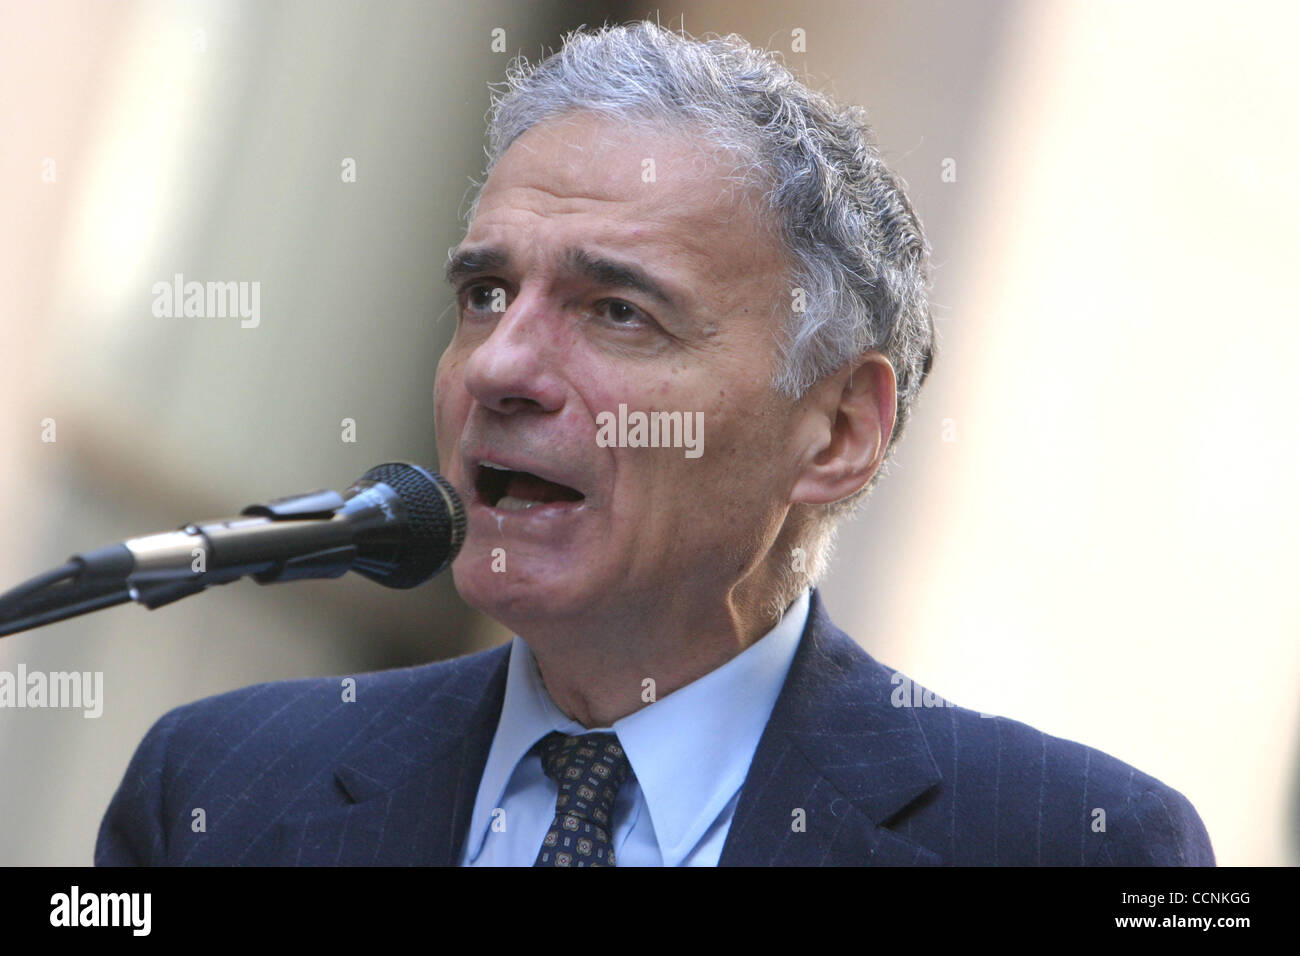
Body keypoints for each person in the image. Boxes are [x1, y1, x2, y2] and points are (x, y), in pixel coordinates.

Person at [96, 21, 1214, 866]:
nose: (498, 367)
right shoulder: (218, 791)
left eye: (616, 311)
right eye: (486, 293)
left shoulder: (1077, 844)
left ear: (836, 431)